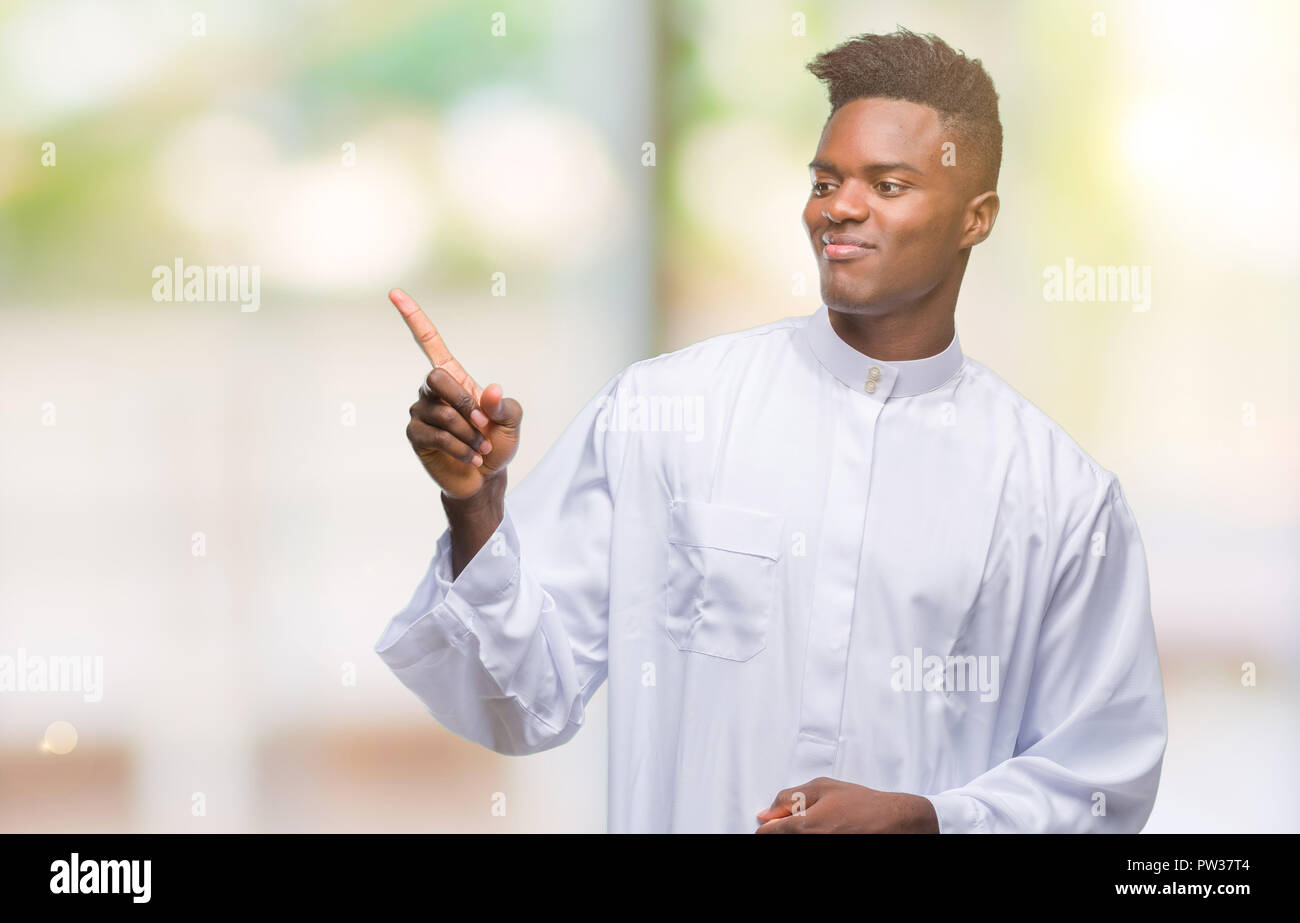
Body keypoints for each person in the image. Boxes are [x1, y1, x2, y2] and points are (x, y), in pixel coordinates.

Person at [373, 28, 1167, 834]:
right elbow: (518, 697)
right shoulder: (662, 413)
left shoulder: (1061, 497)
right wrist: (475, 504)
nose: (841, 207)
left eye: (888, 184)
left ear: (976, 217)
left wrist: (926, 819)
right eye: (827, 179)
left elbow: (1102, 781)